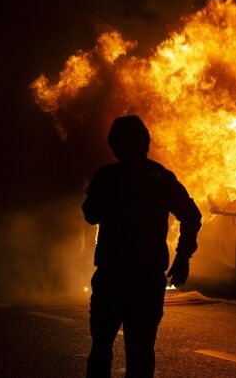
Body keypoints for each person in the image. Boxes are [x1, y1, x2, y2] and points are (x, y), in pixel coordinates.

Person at [82, 115, 202, 378]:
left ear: (115, 145)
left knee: (101, 348)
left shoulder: (107, 176)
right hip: (145, 280)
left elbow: (90, 215)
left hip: (113, 277)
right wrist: (182, 258)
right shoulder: (160, 177)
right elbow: (191, 216)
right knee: (140, 353)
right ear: (145, 143)